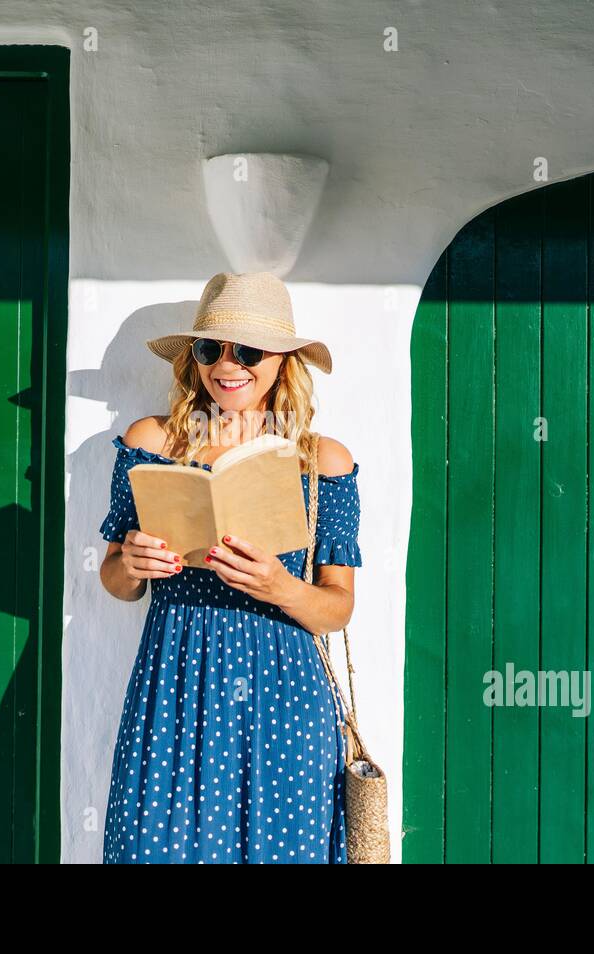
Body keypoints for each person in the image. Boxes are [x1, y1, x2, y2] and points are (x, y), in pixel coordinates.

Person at [97, 271, 362, 863]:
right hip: (177, 681)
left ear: (284, 361)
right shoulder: (152, 441)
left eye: (247, 350)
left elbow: (337, 606)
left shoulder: (323, 461)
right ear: (193, 358)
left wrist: (280, 586)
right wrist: (134, 562)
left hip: (284, 694)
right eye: (210, 348)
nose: (227, 365)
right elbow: (114, 579)